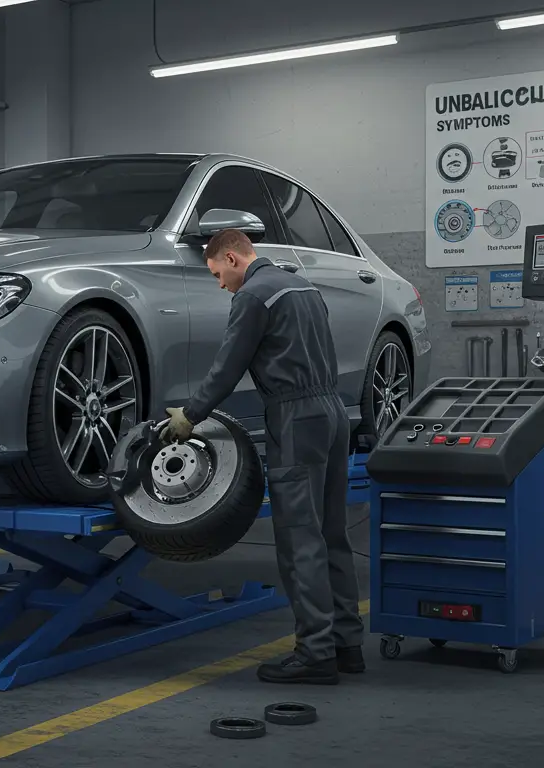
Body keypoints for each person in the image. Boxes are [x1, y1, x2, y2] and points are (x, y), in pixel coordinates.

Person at [160, 228, 365, 685]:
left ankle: (315, 654)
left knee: (300, 541)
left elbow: (229, 365)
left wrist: (190, 415)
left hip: (296, 418)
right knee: (332, 532)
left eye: (217, 274)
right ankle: (348, 645)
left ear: (233, 258)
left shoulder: (253, 296)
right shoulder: (303, 286)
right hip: (333, 412)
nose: (219, 284)